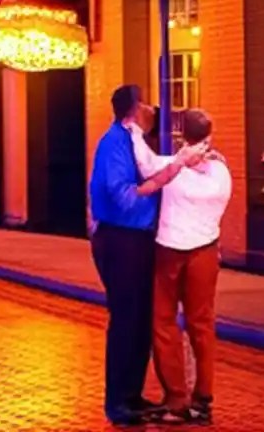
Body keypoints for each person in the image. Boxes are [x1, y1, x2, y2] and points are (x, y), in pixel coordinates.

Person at [88, 84, 205, 427]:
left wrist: (187, 161)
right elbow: (123, 196)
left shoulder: (134, 141)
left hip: (138, 239)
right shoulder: (115, 143)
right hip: (120, 238)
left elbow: (155, 164)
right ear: (133, 109)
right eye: (145, 103)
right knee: (126, 319)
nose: (152, 108)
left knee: (140, 318)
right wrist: (168, 175)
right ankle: (118, 401)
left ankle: (131, 394)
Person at [131, 109, 231, 424]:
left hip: (169, 250)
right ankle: (203, 398)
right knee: (202, 324)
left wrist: (133, 129)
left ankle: (176, 398)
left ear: (180, 133)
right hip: (206, 251)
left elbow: (143, 160)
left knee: (163, 322)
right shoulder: (221, 174)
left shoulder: (170, 168)